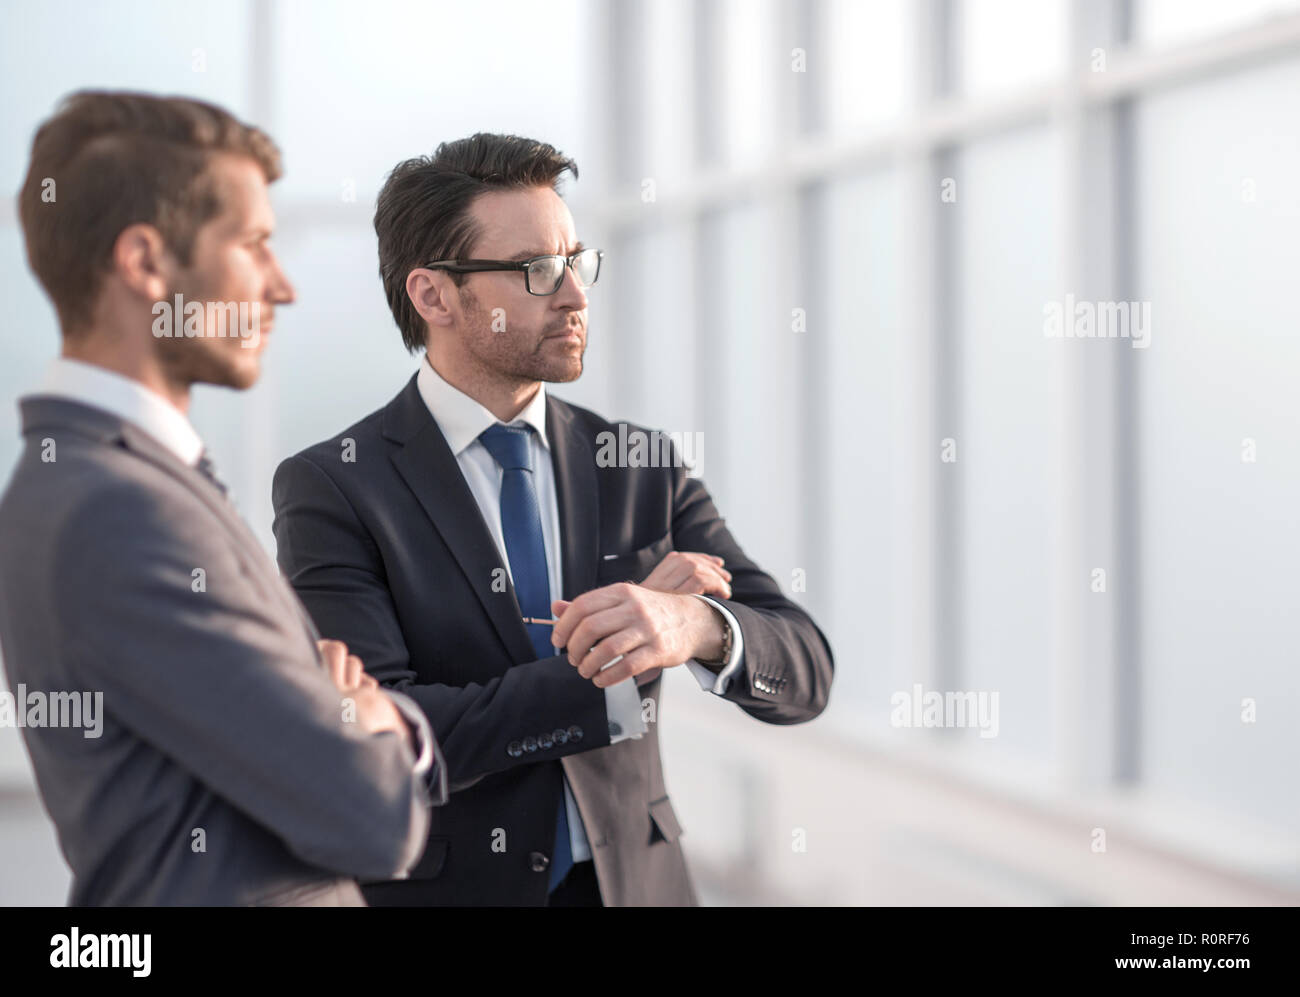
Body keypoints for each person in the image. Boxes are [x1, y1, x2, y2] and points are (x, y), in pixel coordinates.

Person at [272, 132, 833, 906]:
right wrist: (613, 663)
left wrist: (693, 625)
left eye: (577, 261)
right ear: (433, 295)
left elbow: (805, 665)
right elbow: (383, 730)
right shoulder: (333, 487)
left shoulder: (637, 461)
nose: (574, 293)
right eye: (538, 270)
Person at [0, 91, 445, 906]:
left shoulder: (86, 476)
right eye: (254, 245)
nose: (282, 288)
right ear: (145, 262)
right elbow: (371, 817)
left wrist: (346, 713)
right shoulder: (121, 509)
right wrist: (367, 717)